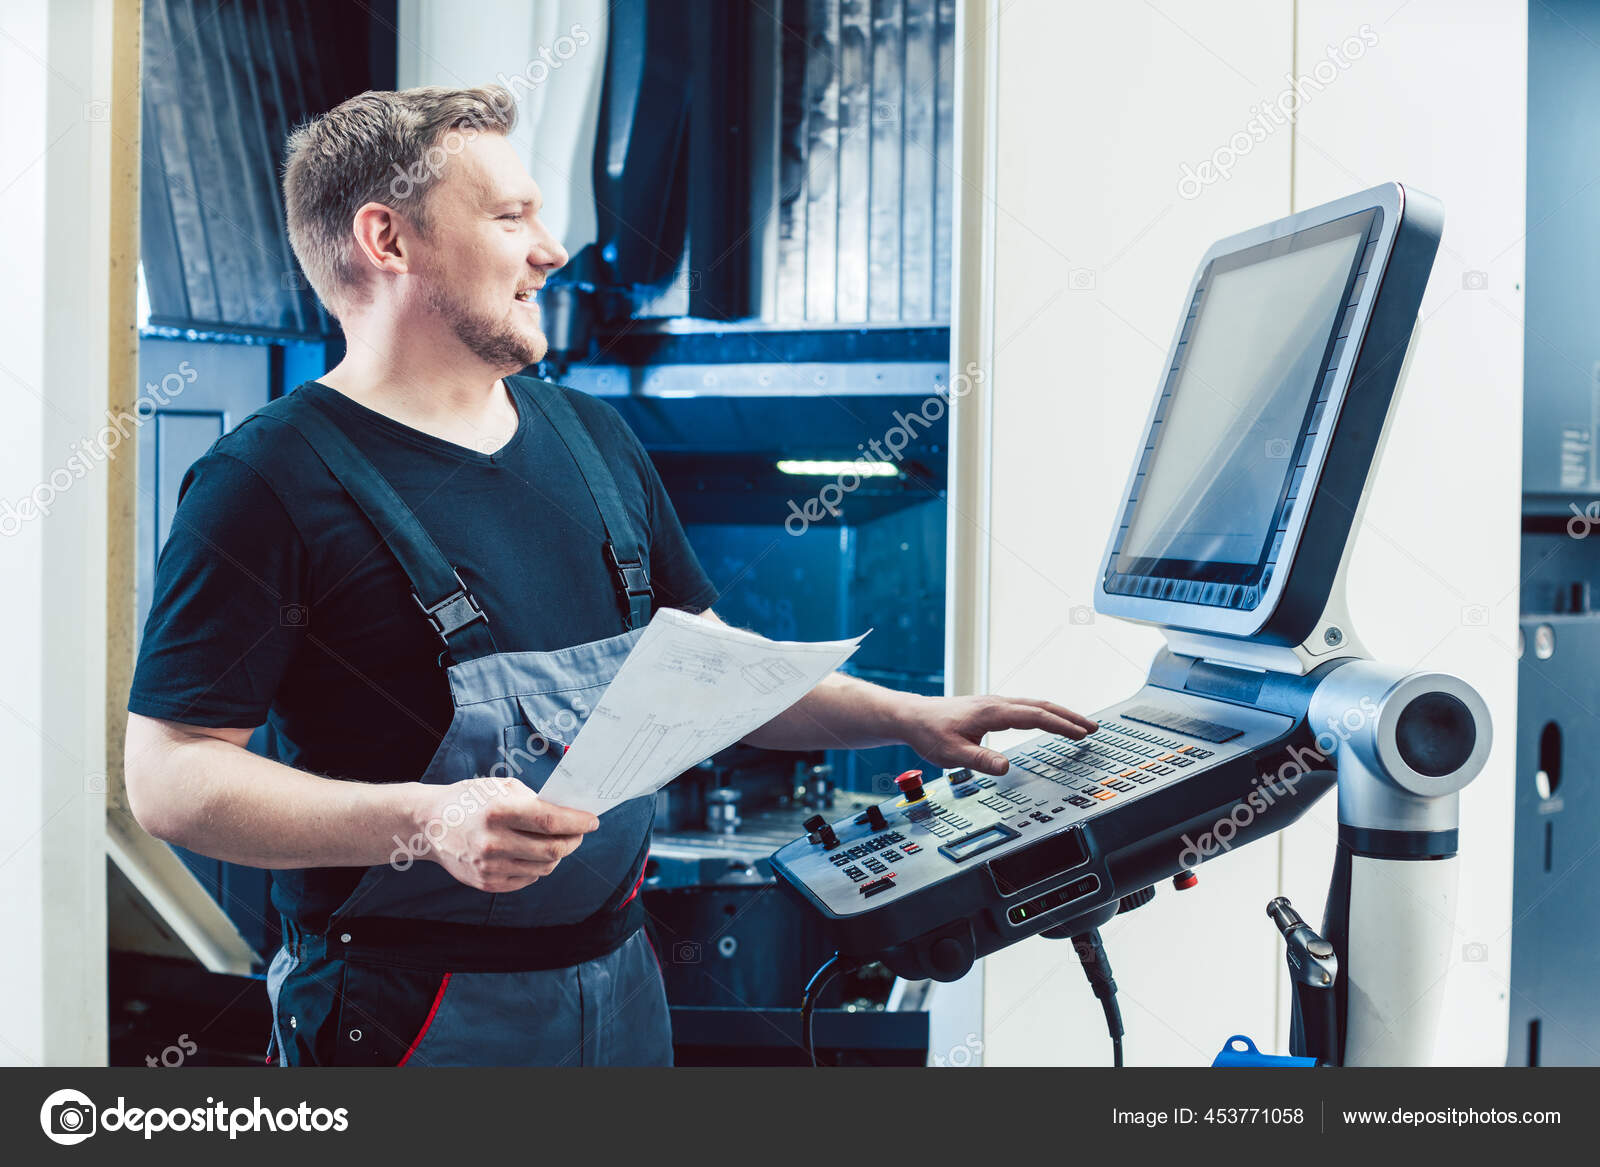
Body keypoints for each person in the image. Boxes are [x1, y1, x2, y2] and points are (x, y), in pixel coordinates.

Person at [123, 84, 1098, 1067]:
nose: (551, 250)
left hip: (622, 989)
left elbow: (713, 675)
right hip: (402, 1012)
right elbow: (169, 775)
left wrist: (909, 717)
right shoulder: (268, 479)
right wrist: (423, 819)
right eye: (511, 217)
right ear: (388, 239)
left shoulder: (591, 437)